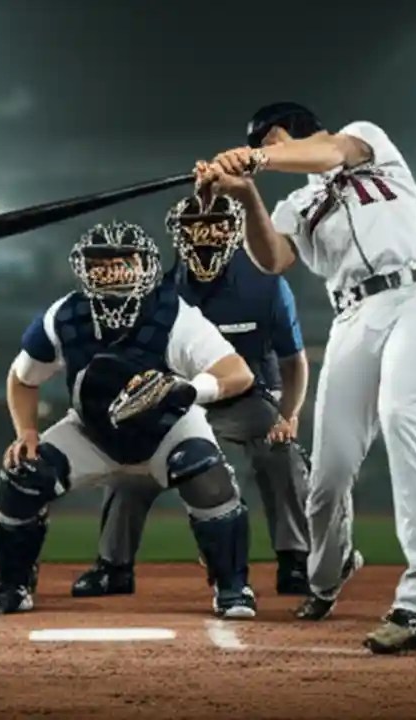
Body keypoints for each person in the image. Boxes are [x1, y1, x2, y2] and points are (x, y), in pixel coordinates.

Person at [197, 101, 416, 653]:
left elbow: (329, 151)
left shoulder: (362, 137)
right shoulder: (296, 202)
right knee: (329, 471)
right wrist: (245, 195)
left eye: (267, 142)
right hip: (353, 317)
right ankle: (328, 574)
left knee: (402, 416)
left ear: (275, 133)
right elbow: (271, 259)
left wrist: (257, 158)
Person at [0, 220, 260, 618]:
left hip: (169, 428)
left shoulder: (174, 314)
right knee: (23, 474)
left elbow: (238, 373)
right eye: (101, 263)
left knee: (204, 471)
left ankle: (232, 586)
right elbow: (21, 378)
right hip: (93, 431)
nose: (112, 270)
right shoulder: (64, 316)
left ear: (147, 266)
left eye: (124, 262)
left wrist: (190, 390)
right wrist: (27, 432)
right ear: (83, 267)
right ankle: (13, 584)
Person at [70, 190, 314, 598]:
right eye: (195, 227)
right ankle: (114, 566)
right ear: (177, 236)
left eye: (215, 226)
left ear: (235, 232)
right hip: (180, 397)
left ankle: (296, 561)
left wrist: (289, 416)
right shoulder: (159, 292)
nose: (205, 235)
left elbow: (294, 361)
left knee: (281, 452)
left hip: (247, 396)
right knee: (129, 464)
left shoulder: (266, 285)